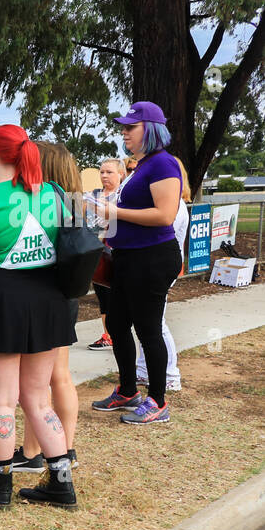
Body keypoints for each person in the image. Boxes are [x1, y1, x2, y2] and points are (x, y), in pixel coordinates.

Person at [0, 125, 77, 510]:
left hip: (0, 302)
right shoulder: (55, 196)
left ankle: (2, 486)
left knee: (2, 402)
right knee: (38, 400)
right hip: (49, 301)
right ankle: (62, 484)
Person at [88, 102, 183, 426]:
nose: (124, 133)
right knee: (115, 323)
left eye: (131, 127)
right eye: (124, 128)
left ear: (151, 129)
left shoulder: (162, 164)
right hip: (129, 257)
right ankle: (128, 390)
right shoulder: (143, 166)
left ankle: (157, 400)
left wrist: (113, 212)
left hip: (152, 257)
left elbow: (164, 215)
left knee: (148, 329)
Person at [12, 140, 84, 473]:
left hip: (44, 295)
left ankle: (32, 451)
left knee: (36, 384)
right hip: (68, 294)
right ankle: (65, 449)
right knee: (61, 377)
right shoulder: (72, 201)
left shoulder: (40, 201)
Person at [135, 156, 189, 395]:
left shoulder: (173, 205)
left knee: (157, 325)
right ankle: (144, 369)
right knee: (147, 324)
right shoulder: (169, 202)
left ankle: (170, 375)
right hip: (155, 266)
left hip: (161, 267)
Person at [86, 158, 125, 351]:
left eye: (109, 172)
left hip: (119, 252)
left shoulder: (124, 196)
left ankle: (119, 333)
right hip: (97, 252)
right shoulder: (92, 195)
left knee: (119, 296)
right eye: (102, 172)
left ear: (121, 174)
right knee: (103, 296)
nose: (104, 175)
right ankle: (108, 335)